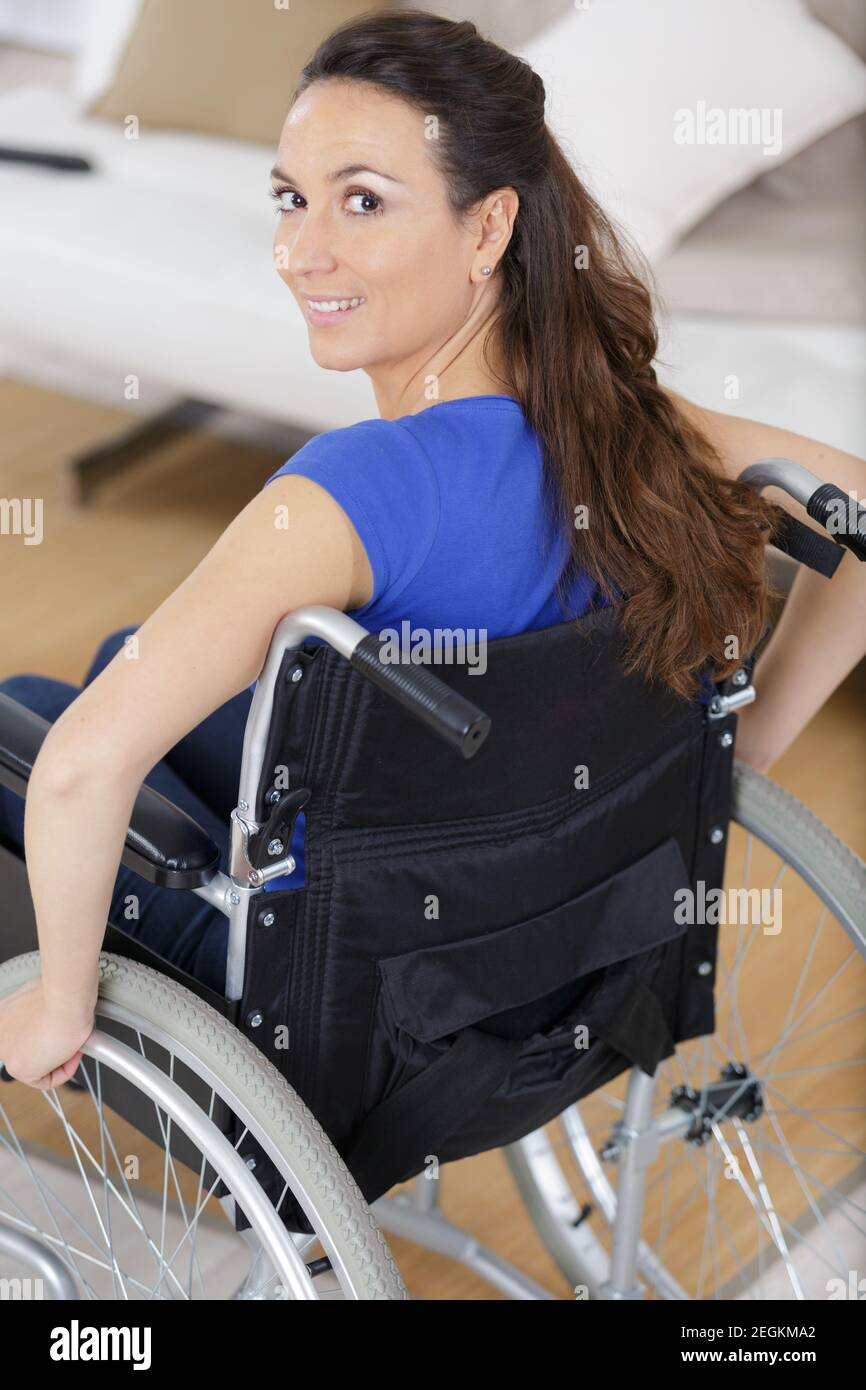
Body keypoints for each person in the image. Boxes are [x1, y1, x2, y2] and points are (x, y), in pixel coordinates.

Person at [1, 9, 864, 1090]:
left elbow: (84, 772)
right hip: (548, 967)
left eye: (362, 200)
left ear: (486, 227)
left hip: (338, 1016)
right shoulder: (638, 431)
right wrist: (753, 738)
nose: (299, 250)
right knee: (73, 682)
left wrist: (56, 1008)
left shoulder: (348, 495)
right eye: (290, 198)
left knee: (45, 732)